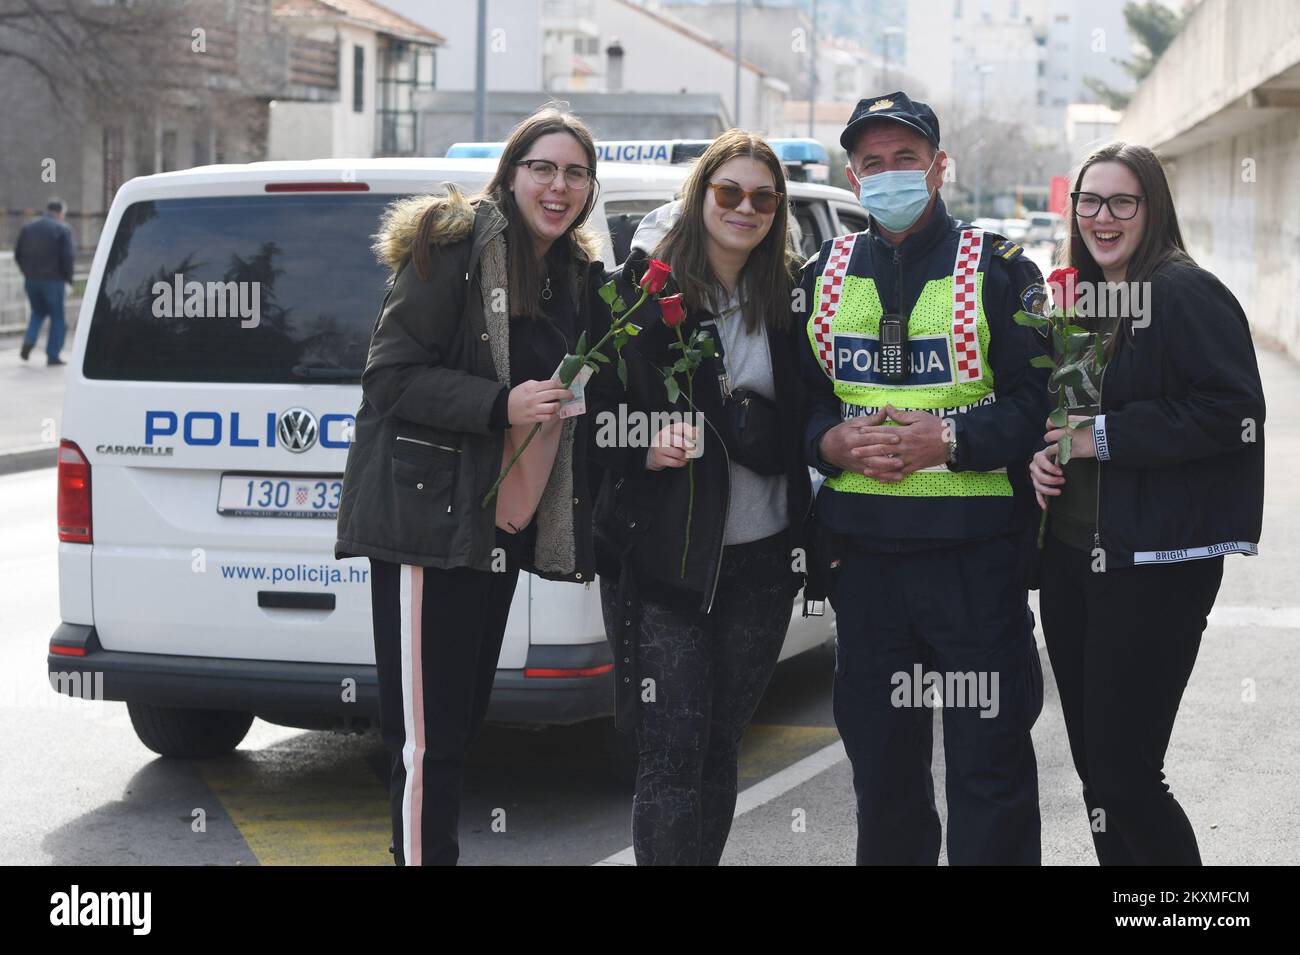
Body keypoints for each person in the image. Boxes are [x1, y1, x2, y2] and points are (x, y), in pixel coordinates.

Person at [334, 106, 604, 866]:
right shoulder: (454, 246)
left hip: (501, 527)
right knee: (425, 737)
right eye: (543, 168)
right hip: (429, 524)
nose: (559, 185)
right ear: (512, 173)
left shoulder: (573, 275)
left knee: (457, 724)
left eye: (576, 172)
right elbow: (389, 377)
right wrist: (501, 403)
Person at [799, 91, 1050, 865]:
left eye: (906, 159)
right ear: (852, 174)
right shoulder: (821, 272)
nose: (889, 174)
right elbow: (802, 405)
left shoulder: (1006, 269)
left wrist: (953, 439)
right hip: (867, 570)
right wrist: (828, 441)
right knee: (884, 777)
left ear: (939, 168)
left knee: (990, 772)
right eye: (872, 163)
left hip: (976, 566)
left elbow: (1038, 404)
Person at [1029, 141, 1266, 865]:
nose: (1103, 216)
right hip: (1072, 560)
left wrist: (1097, 437)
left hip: (1153, 565)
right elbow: (1059, 418)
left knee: (1129, 776)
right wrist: (1043, 454)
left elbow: (1234, 411)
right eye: (1090, 201)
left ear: (1151, 207)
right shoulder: (1082, 299)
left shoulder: (1182, 290)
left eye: (1122, 201)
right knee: (1098, 776)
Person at [589, 130, 814, 866]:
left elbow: (821, 410)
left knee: (719, 744)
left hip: (762, 560)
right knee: (671, 749)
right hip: (666, 561)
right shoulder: (639, 293)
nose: (744, 208)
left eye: (761, 197)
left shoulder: (792, 298)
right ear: (700, 194)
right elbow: (582, 418)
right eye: (728, 192)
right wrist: (640, 438)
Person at [14, 197, 75, 365]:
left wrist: (27, 272)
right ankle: (52, 355)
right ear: (61, 213)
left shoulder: (28, 227)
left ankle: (29, 341)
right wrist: (69, 278)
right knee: (58, 318)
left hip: (31, 280)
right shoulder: (63, 229)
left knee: (38, 312)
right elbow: (68, 257)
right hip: (53, 281)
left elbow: (17, 254)